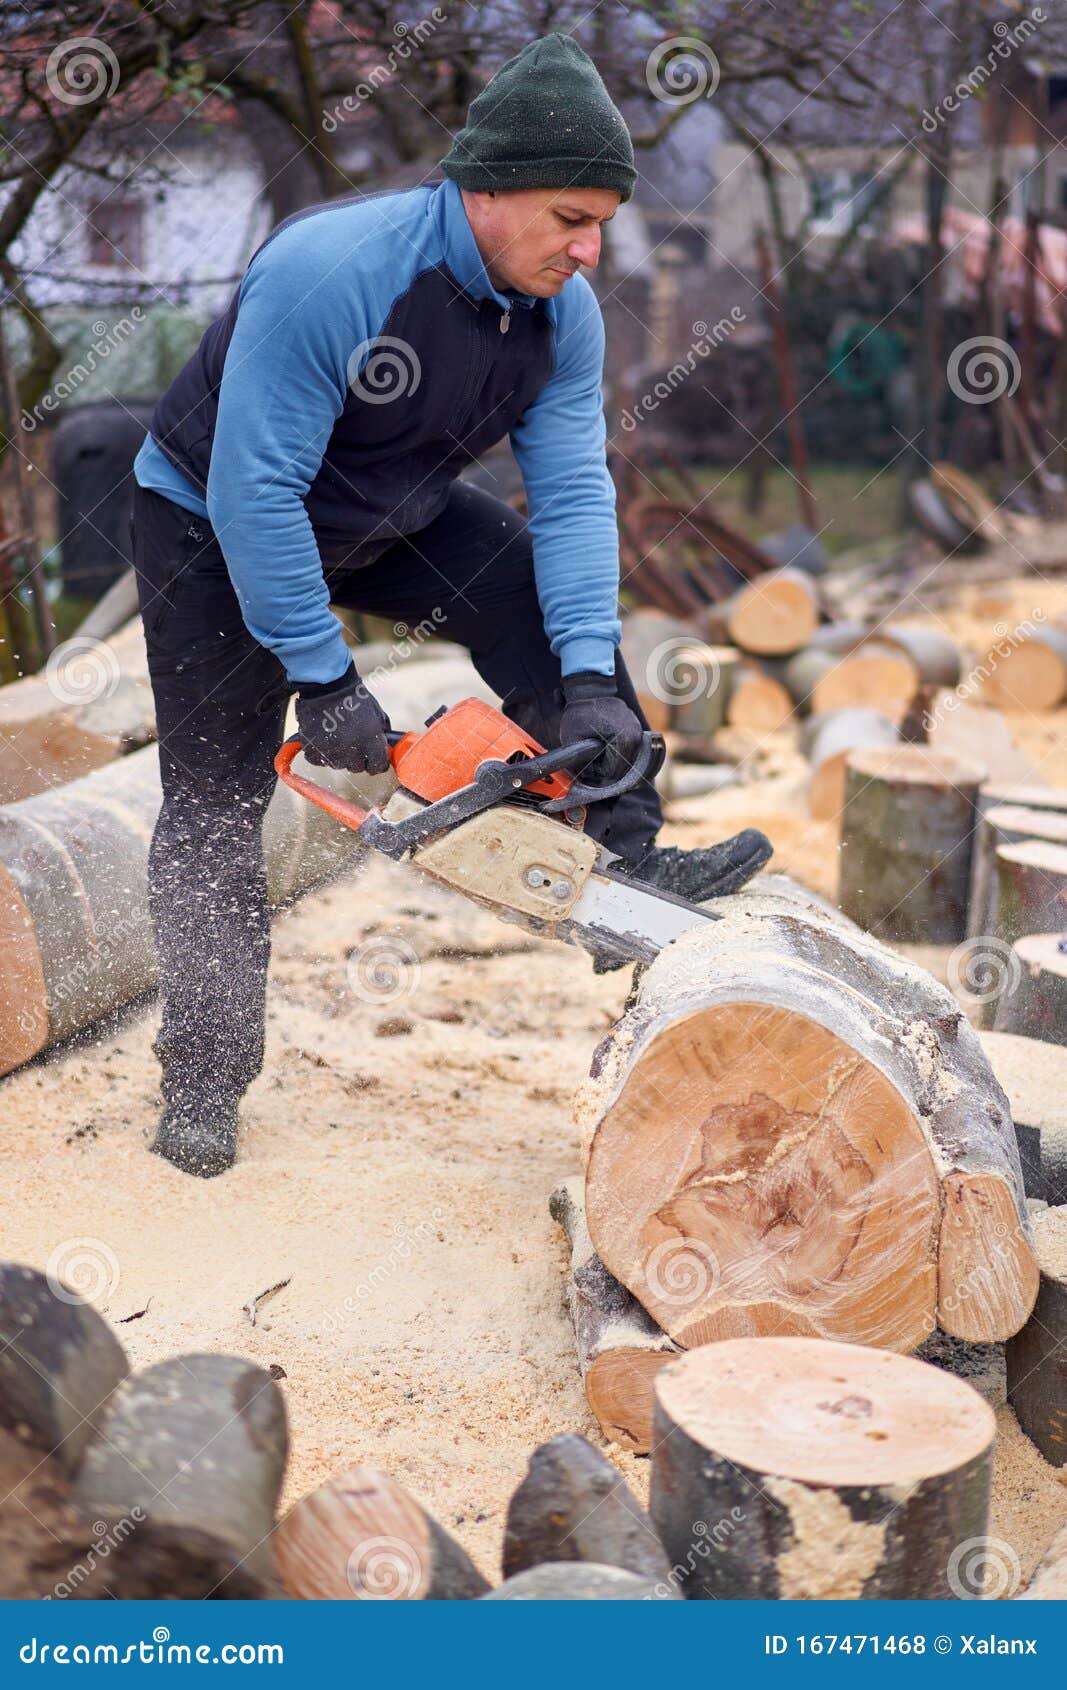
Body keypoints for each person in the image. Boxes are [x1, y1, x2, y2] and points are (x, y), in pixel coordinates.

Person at [130, 31, 772, 1178]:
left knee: (533, 592)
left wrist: (585, 677)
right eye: (570, 218)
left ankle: (627, 866)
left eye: (600, 224)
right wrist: (323, 680)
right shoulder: (331, 272)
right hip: (213, 524)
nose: (589, 248)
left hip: (392, 512)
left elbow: (573, 492)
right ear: (483, 192)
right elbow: (253, 487)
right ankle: (205, 1074)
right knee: (215, 804)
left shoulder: (557, 315)